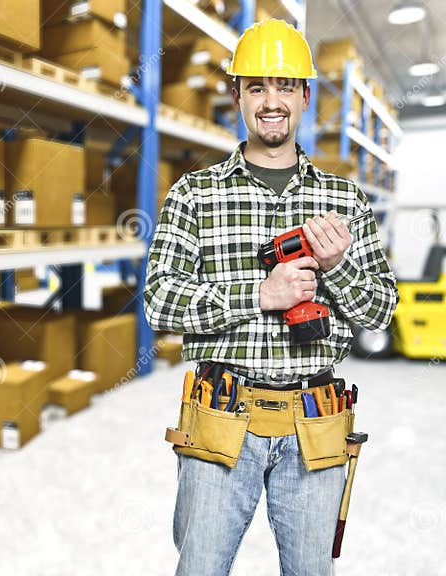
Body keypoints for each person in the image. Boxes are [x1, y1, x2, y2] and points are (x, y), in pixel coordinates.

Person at [143, 19, 399, 576]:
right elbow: (159, 300)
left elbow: (381, 310)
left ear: (305, 96)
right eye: (256, 87)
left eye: (285, 86)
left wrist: (337, 267)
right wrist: (260, 294)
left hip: (316, 421)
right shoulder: (195, 193)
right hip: (221, 414)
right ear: (237, 96)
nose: (271, 102)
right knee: (200, 568)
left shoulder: (344, 199)